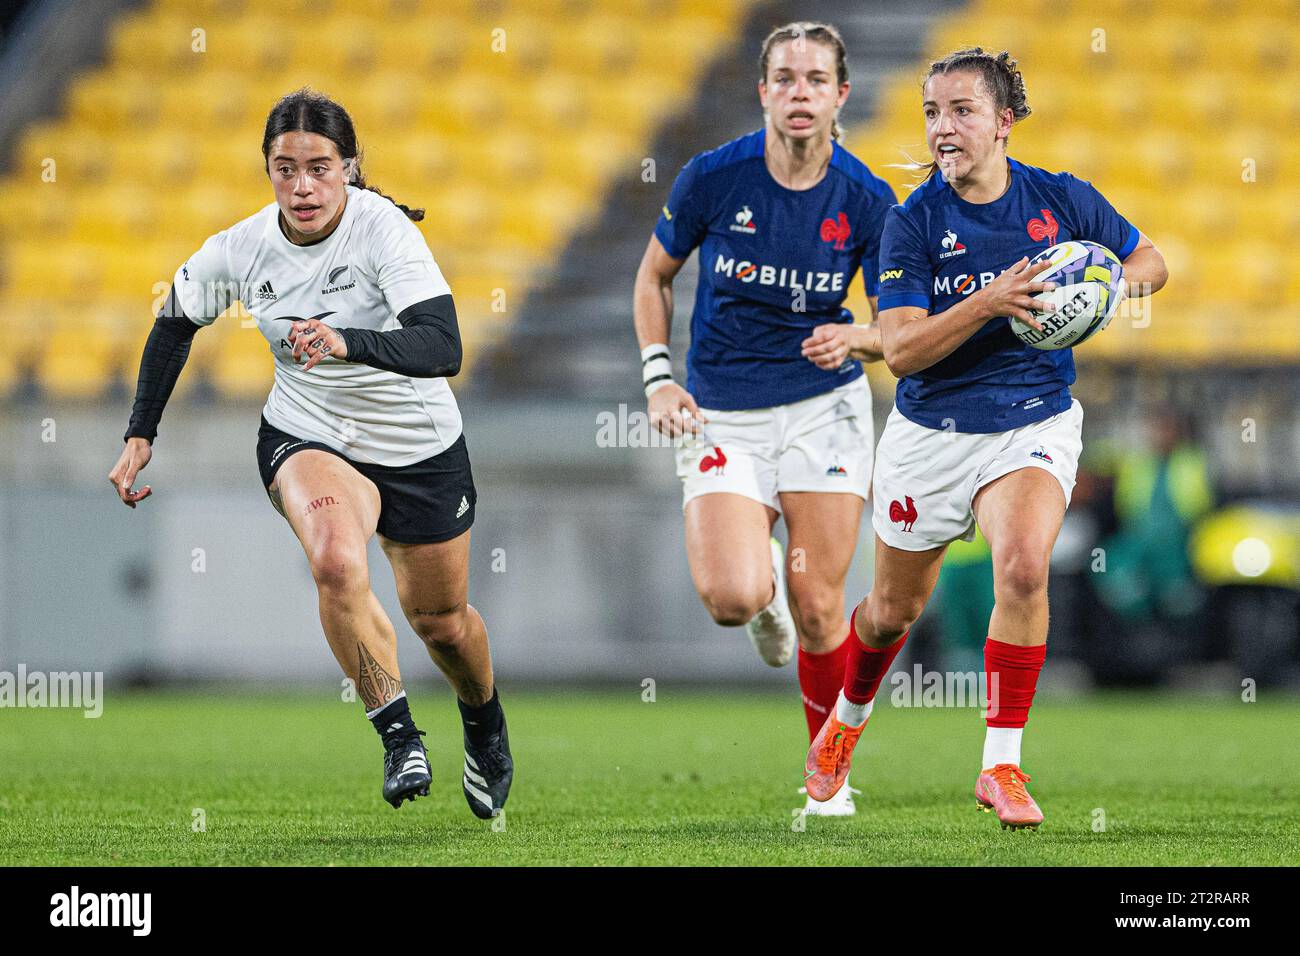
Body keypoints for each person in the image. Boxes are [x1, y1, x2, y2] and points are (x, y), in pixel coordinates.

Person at [108, 89, 513, 818]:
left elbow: (443, 345)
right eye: (285, 168)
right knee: (333, 560)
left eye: (319, 168)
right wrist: (141, 433)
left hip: (418, 446)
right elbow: (173, 323)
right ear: (267, 170)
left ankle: (484, 724)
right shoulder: (242, 247)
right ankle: (398, 735)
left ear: (350, 169)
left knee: (442, 623)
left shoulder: (383, 232)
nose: (302, 187)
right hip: (310, 433)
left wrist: (345, 341)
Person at [803, 48, 1168, 830]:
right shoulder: (911, 224)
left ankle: (1000, 762)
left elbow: (1151, 262)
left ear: (1004, 122)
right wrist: (991, 302)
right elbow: (899, 350)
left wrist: (1099, 287)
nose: (943, 128)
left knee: (1025, 566)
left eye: (961, 111)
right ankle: (846, 722)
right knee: (890, 614)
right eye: (932, 112)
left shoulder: (1060, 198)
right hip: (931, 434)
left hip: (1032, 418)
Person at [633, 22, 895, 816]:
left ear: (840, 94)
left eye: (816, 79)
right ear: (763, 92)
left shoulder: (868, 198)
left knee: (822, 606)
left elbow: (899, 329)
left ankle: (829, 780)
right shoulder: (714, 177)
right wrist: (657, 379)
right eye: (785, 78)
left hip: (826, 410)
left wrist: (858, 335)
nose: (800, 93)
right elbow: (653, 277)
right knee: (731, 598)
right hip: (725, 413)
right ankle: (763, 592)